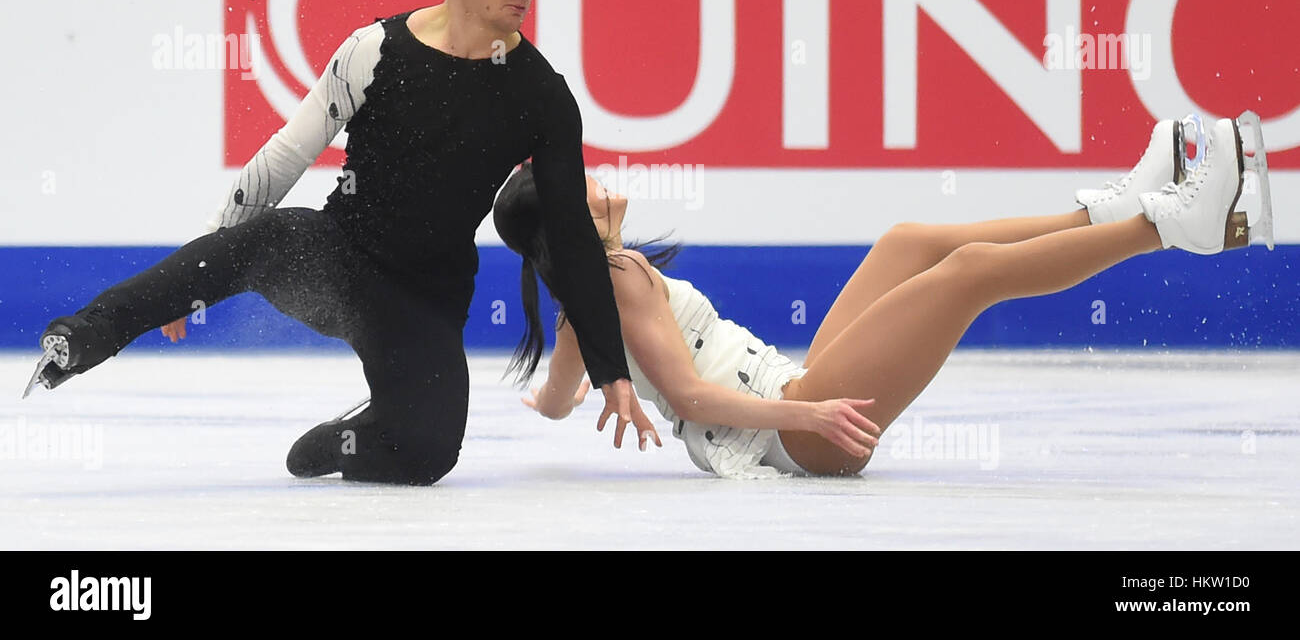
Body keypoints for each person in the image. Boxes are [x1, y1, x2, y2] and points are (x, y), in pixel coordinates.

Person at [26, 0, 645, 485]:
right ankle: (83, 335)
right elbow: (286, 156)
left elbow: (569, 235)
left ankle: (343, 437)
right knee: (261, 237)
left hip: (424, 303)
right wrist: (200, 273)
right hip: (332, 259)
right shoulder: (373, 50)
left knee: (427, 454)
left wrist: (611, 367)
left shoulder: (542, 96)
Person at [501, 113, 1274, 478]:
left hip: (787, 394)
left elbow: (566, 390)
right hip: (795, 437)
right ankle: (1175, 226)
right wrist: (803, 414)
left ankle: (1103, 212)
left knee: (906, 241)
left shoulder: (584, 296)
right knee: (967, 272)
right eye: (579, 179)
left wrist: (549, 403)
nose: (596, 178)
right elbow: (694, 399)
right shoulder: (615, 279)